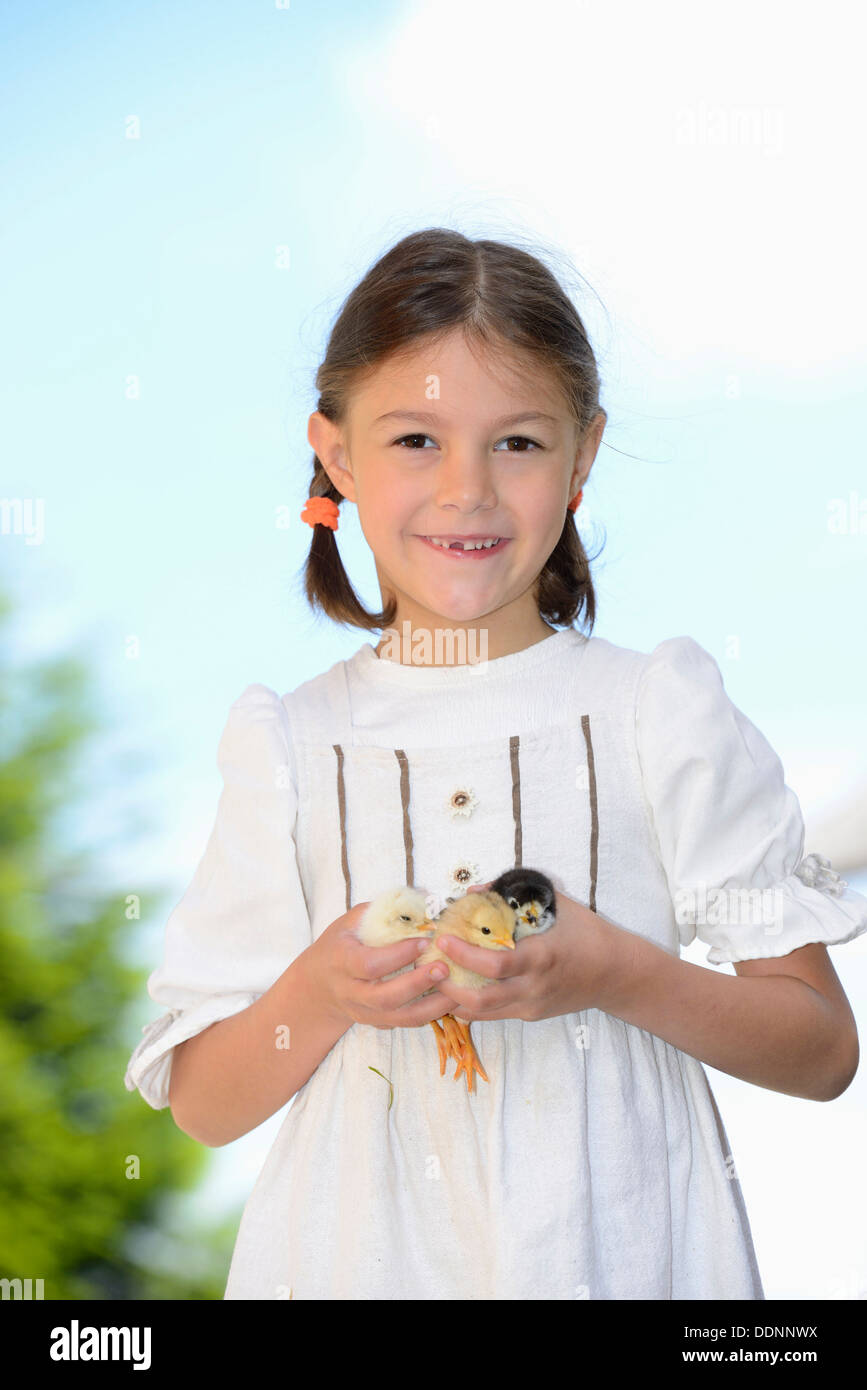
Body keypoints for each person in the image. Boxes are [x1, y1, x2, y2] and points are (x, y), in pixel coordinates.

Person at [124, 228, 865, 1300]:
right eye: (415, 439)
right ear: (336, 456)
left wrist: (617, 972)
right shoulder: (290, 743)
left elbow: (821, 1048)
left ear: (582, 456)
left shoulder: (655, 708)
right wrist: (322, 989)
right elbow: (205, 1104)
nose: (467, 490)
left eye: (516, 443)